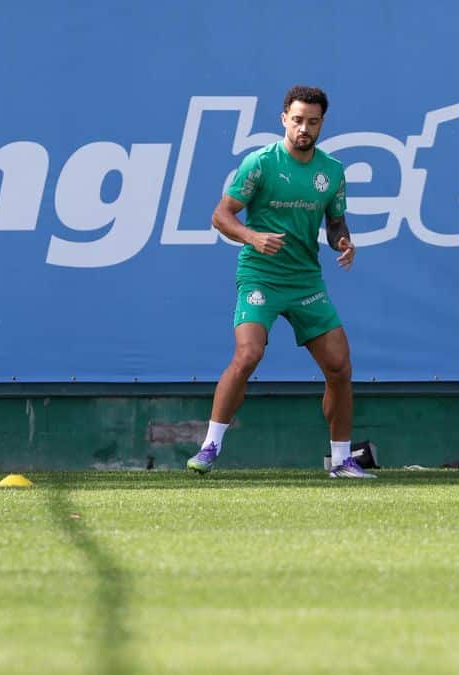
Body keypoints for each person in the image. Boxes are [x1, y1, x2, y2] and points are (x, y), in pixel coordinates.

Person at [186, 85, 374, 478]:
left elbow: (335, 222)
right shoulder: (260, 164)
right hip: (261, 275)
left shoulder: (332, 171)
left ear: (322, 123)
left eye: (313, 122)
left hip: (306, 281)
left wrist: (343, 241)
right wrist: (252, 237)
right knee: (248, 354)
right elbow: (221, 215)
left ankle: (341, 460)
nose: (304, 128)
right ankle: (210, 446)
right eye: (298, 120)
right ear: (284, 119)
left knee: (339, 367)